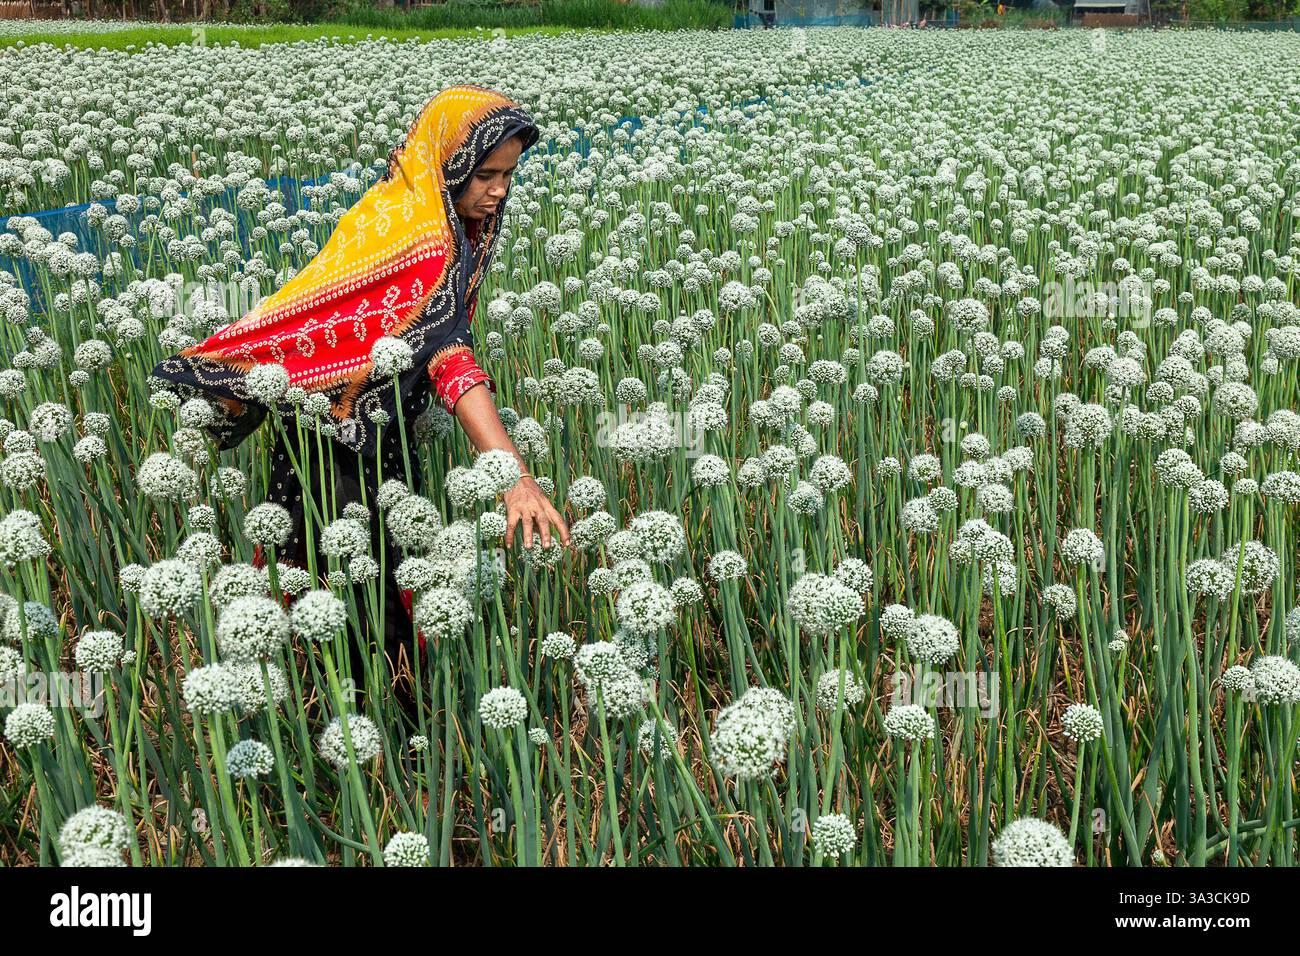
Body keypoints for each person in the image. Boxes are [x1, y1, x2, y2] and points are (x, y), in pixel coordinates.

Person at [151, 84, 569, 707]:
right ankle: (357, 738)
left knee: (374, 592)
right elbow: (433, 351)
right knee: (351, 597)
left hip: (384, 446)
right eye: (486, 175)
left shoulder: (437, 223)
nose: (500, 190)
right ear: (448, 163)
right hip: (328, 457)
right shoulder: (418, 238)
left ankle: (377, 741)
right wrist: (509, 474)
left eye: (509, 175)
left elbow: (430, 348)